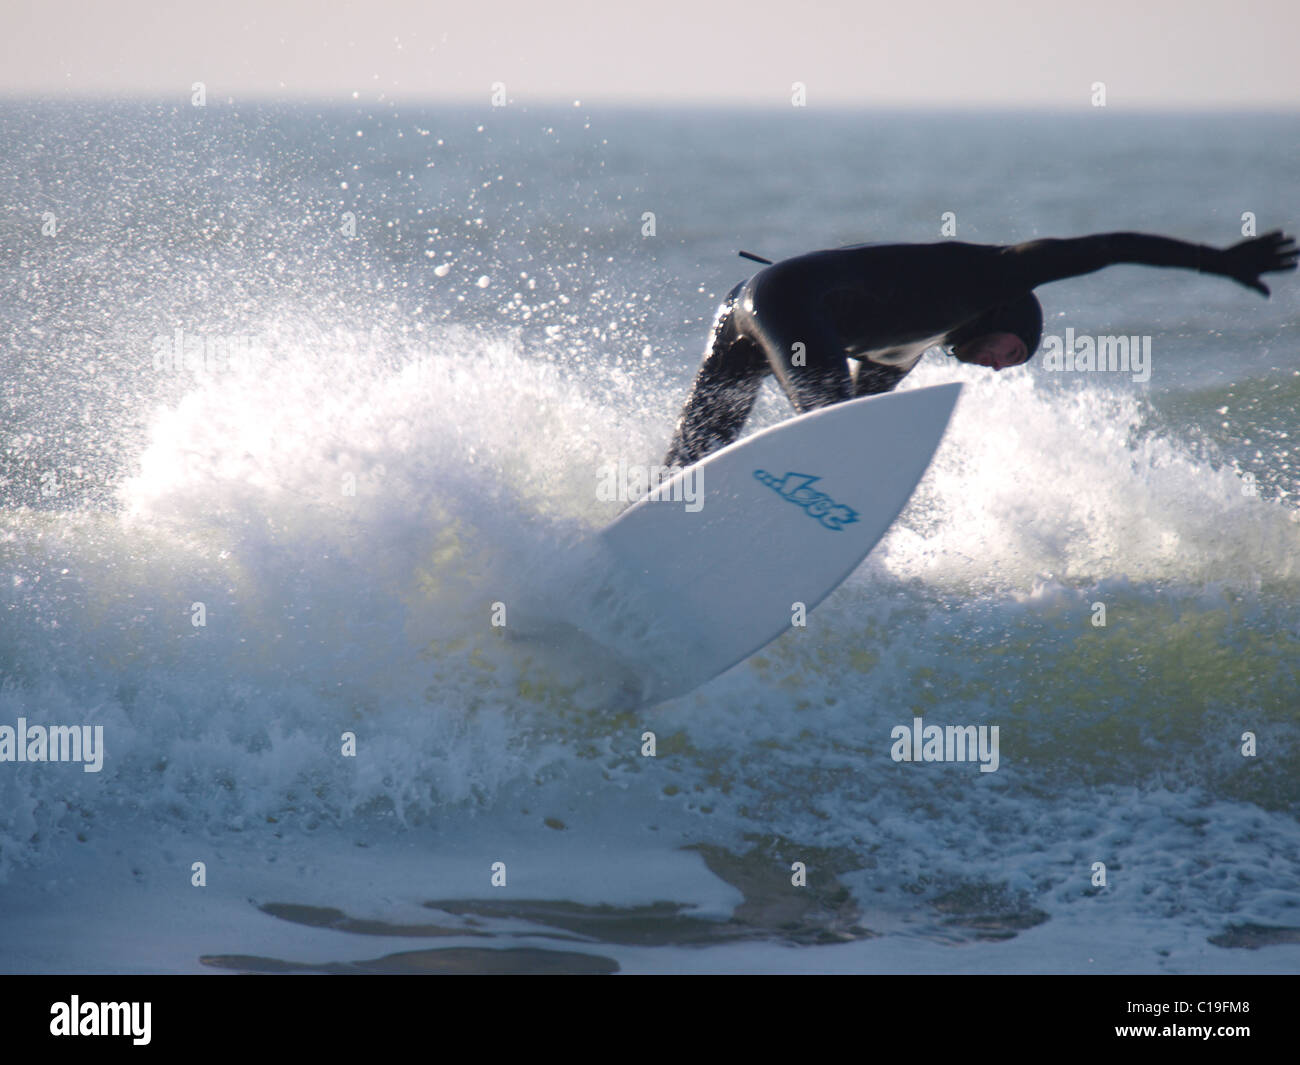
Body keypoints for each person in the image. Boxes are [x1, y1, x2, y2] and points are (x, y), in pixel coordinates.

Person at [663, 230, 1297, 467]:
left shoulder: (906, 351)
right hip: (783, 299)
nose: (999, 367)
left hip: (743, 310)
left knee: (697, 452)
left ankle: (651, 519)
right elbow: (1109, 248)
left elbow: (866, 411)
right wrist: (1219, 261)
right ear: (1008, 316)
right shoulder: (991, 277)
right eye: (1013, 352)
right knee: (835, 434)